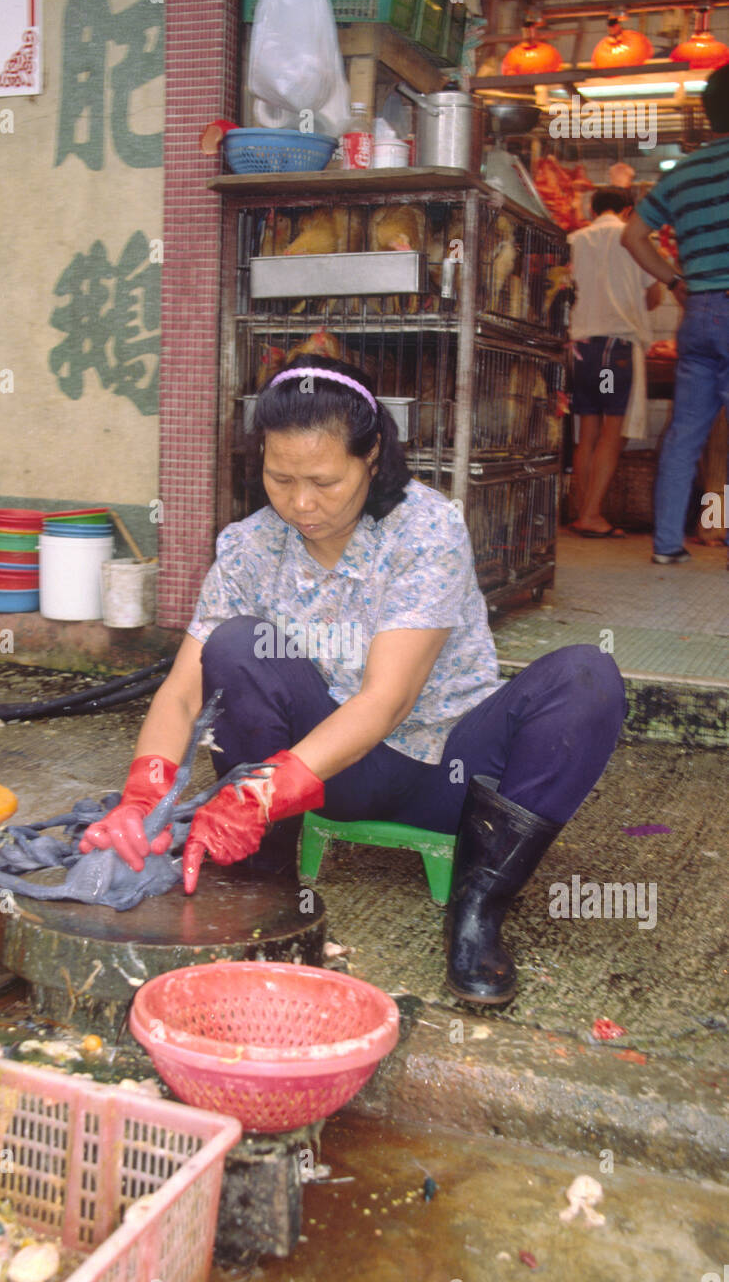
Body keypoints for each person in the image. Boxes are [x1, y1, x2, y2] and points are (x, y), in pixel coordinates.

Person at [81, 356, 627, 1007]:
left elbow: (387, 700)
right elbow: (180, 692)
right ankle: (265, 886)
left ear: (372, 457)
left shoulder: (425, 530)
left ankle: (478, 909)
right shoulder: (250, 546)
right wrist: (144, 794)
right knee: (234, 646)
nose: (301, 503)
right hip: (323, 781)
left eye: (324, 481)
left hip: (450, 775)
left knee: (587, 677)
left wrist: (257, 793)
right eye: (279, 477)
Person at [622, 63, 729, 564]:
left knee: (685, 435)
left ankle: (667, 545)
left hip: (699, 312)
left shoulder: (684, 172)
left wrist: (676, 283)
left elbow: (633, 236)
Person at [568, 188, 662, 538]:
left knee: (587, 432)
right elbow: (653, 298)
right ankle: (591, 514)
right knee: (611, 431)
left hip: (581, 350)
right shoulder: (633, 238)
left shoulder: (574, 239)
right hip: (613, 354)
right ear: (627, 210)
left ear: (592, 210)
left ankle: (582, 510)